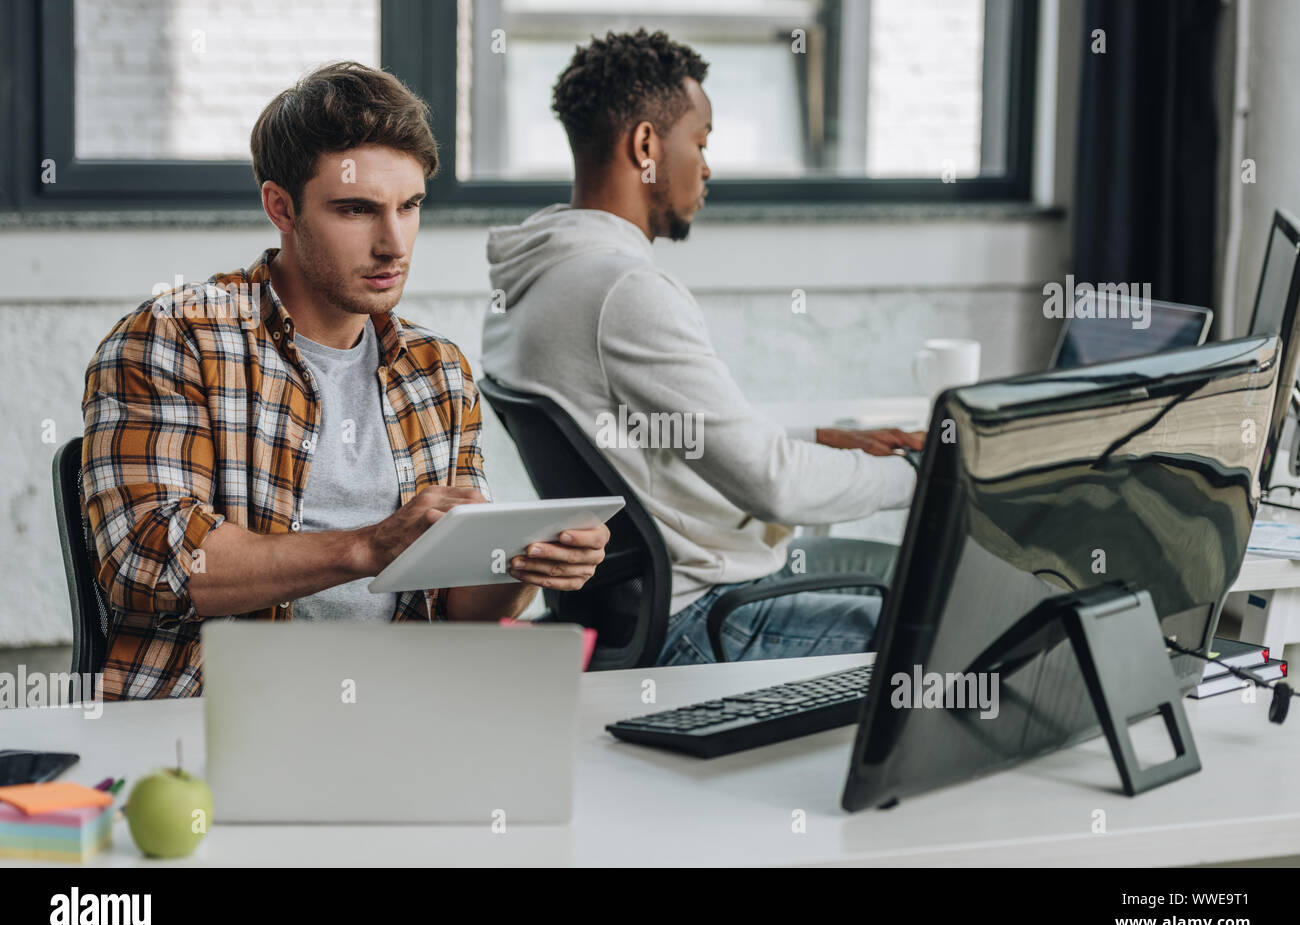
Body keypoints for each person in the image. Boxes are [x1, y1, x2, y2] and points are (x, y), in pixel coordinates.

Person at [82, 61, 609, 700]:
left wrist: (528, 566)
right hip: (218, 717)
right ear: (281, 206)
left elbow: (458, 605)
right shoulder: (175, 337)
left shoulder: (435, 368)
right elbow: (146, 561)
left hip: (400, 710)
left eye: (409, 206)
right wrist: (365, 547)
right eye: (357, 209)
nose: (393, 244)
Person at [481, 30, 923, 666]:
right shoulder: (624, 289)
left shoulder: (533, 279)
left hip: (631, 612)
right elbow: (774, 486)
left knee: (896, 572)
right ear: (646, 145)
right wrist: (921, 475)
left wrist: (821, 434)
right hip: (696, 620)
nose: (708, 166)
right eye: (702, 140)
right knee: (945, 623)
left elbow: (655, 437)